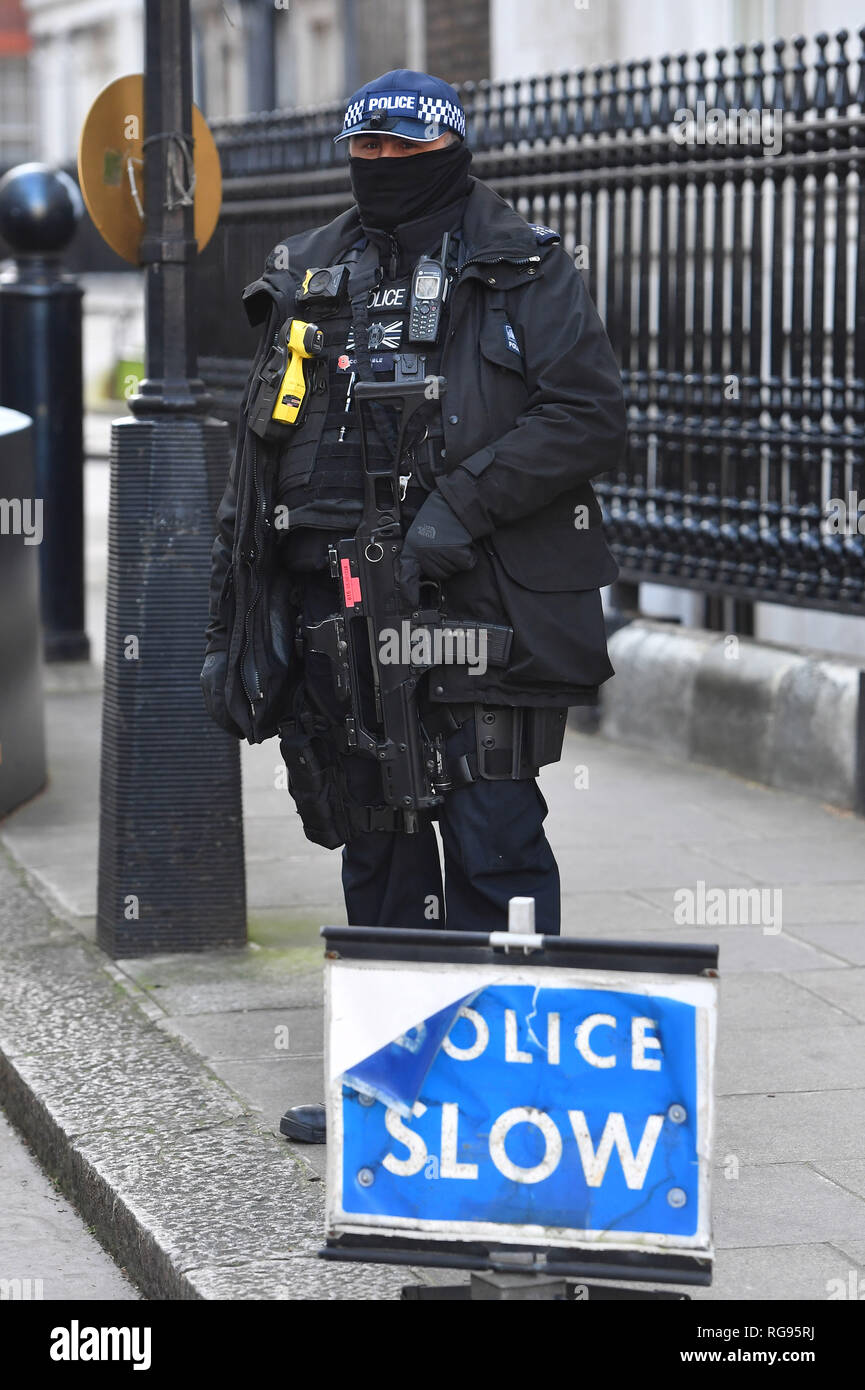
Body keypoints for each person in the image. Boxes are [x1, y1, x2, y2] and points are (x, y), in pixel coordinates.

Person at [201, 70, 627, 1143]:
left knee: (491, 836)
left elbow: (584, 415)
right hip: (333, 605)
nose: (382, 168)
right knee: (376, 842)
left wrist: (453, 514)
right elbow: (262, 444)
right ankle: (392, 1091)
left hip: (474, 598)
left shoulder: (525, 262)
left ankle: (510, 1097)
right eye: (367, 151)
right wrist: (245, 597)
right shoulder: (308, 265)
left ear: (451, 148)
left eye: (403, 149)